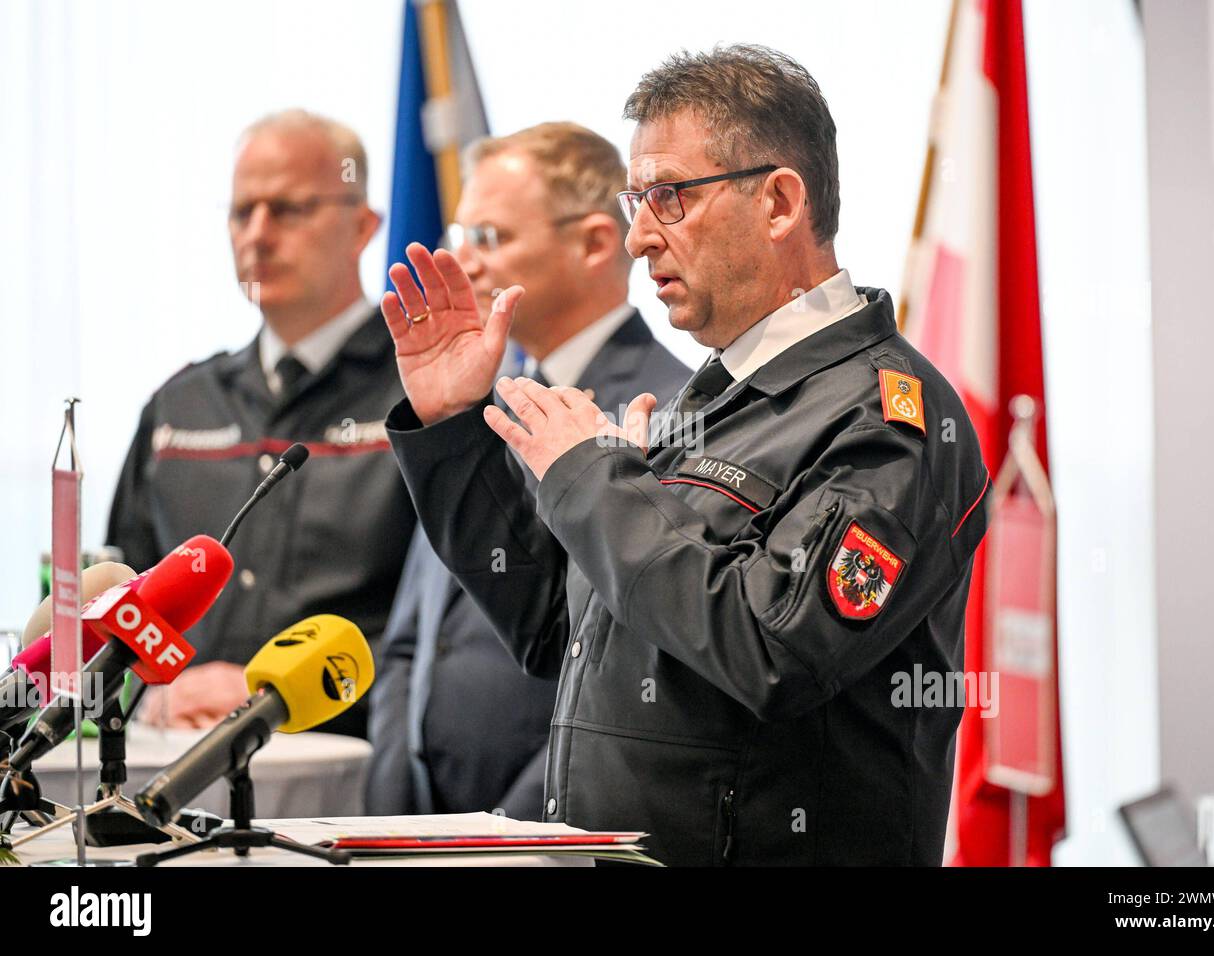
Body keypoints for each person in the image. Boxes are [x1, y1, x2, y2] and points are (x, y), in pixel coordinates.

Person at [381, 46, 991, 864]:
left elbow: (772, 650)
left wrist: (594, 480)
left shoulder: (889, 419)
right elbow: (561, 632)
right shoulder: (706, 401)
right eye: (637, 200)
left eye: (667, 197)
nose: (638, 237)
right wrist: (455, 427)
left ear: (778, 202)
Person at [365, 123, 689, 817]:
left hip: (547, 829)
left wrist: (516, 830)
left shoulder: (667, 408)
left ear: (597, 242)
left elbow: (625, 658)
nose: (463, 261)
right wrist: (394, 789)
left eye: (491, 237)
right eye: (461, 233)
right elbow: (413, 635)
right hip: (416, 817)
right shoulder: (469, 399)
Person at [107, 110, 415, 736]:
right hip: (173, 765)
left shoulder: (422, 399)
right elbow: (117, 597)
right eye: (241, 211)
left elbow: (454, 627)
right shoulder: (178, 405)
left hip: (360, 775)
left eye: (289, 209)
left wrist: (264, 694)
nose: (258, 234)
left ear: (363, 226)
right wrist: (148, 689)